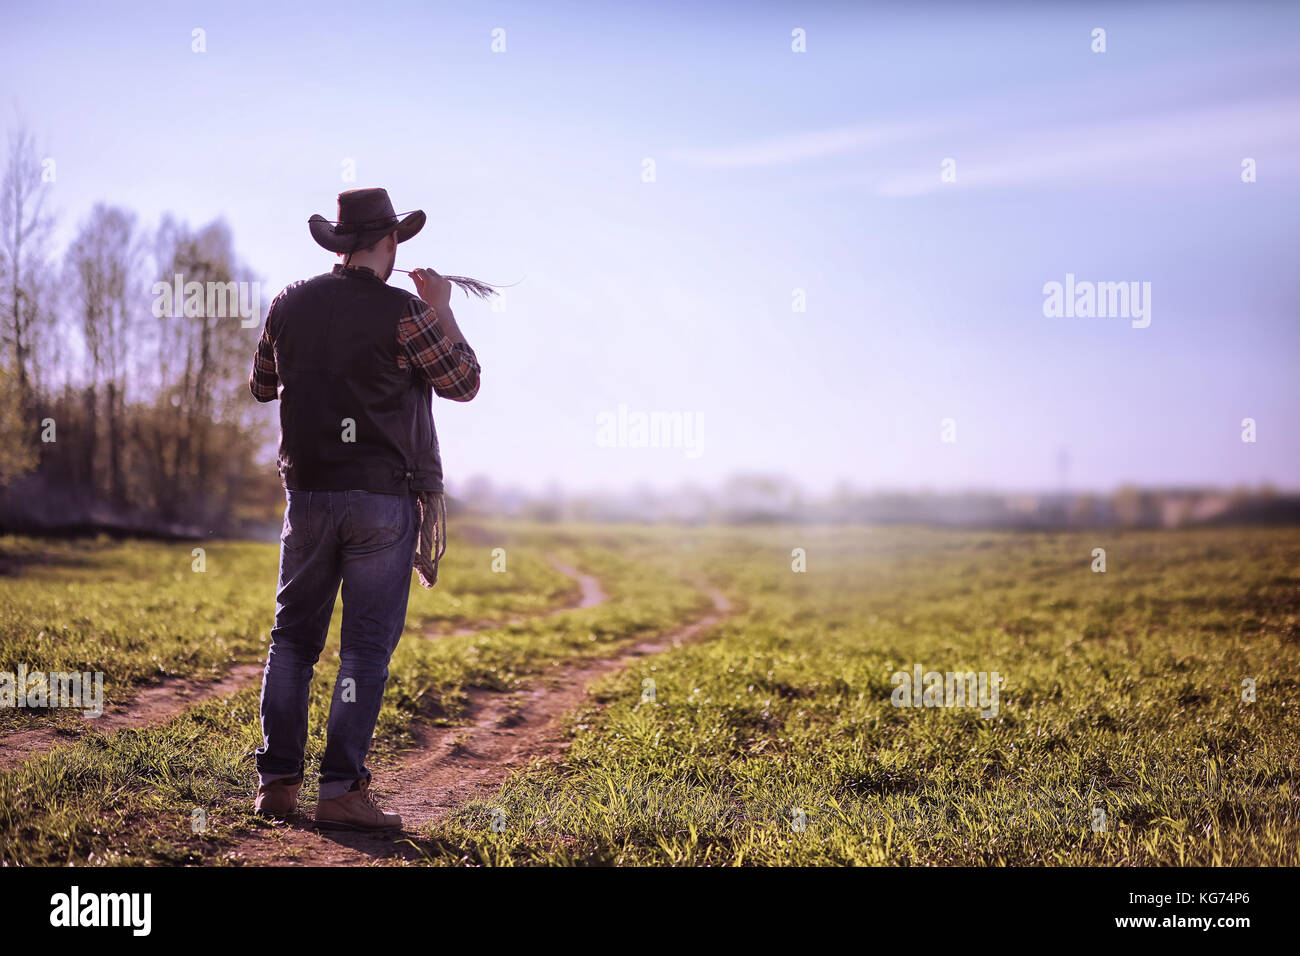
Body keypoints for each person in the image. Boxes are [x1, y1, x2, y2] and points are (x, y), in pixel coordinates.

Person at [247, 187, 480, 829]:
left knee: (292, 641)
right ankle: (342, 791)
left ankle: (277, 785)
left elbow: (262, 385)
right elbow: (463, 382)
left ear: (337, 244)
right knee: (364, 652)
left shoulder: (287, 303)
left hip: (309, 495)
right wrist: (443, 311)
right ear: (392, 244)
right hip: (382, 500)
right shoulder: (408, 313)